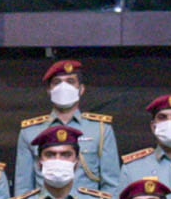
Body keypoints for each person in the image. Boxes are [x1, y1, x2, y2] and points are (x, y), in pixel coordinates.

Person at [18, 57, 119, 187]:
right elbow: (23, 188)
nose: (63, 87)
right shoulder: (30, 131)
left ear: (81, 89)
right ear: (49, 90)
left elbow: (112, 185)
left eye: (70, 81)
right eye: (57, 82)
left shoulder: (101, 129)